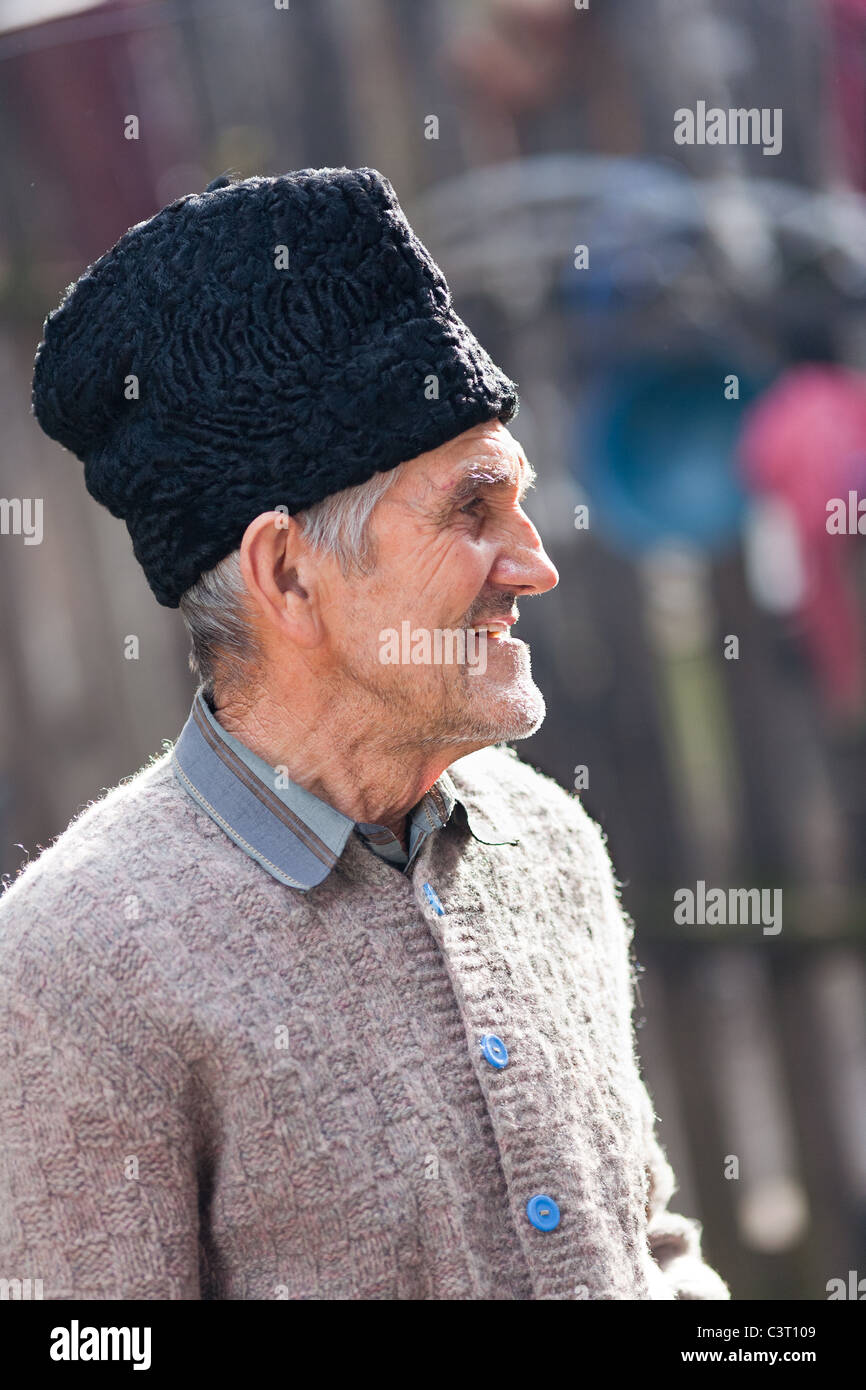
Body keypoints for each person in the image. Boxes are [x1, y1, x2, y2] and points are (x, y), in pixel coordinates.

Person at [0, 167, 729, 1300]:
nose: (533, 562)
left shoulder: (547, 843)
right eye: (471, 509)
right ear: (288, 573)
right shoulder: (73, 970)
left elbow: (645, 1248)